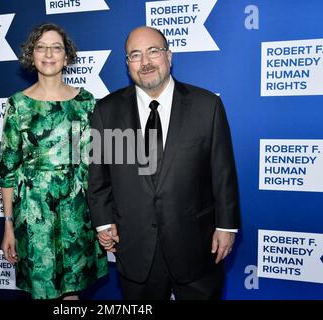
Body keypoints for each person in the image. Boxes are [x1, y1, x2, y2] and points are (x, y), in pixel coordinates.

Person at [88, 26, 240, 300]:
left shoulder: (207, 105)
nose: (145, 62)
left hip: (197, 246)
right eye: (135, 55)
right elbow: (98, 177)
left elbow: (223, 173)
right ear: (127, 64)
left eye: (153, 52)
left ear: (169, 56)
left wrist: (226, 226)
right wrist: (102, 222)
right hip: (135, 249)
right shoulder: (106, 111)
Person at [0, 23, 108, 300]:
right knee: (42, 289)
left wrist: (104, 220)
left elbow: (95, 166)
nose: (48, 53)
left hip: (77, 211)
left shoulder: (85, 102)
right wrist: (8, 226)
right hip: (33, 214)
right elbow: (8, 170)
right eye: (41, 47)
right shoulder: (18, 105)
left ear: (67, 56)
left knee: (72, 291)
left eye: (56, 47)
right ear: (31, 55)